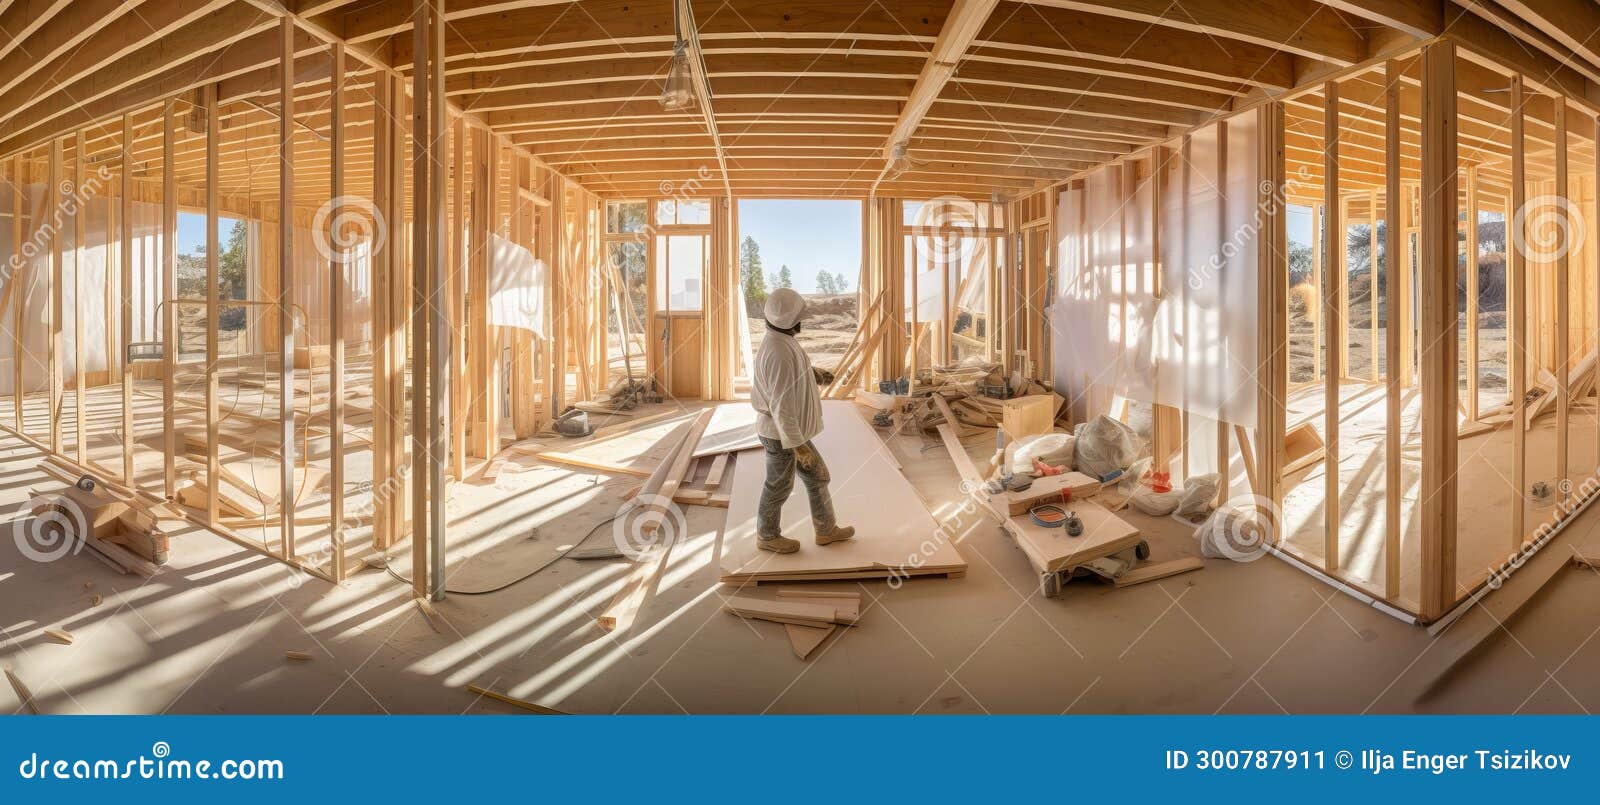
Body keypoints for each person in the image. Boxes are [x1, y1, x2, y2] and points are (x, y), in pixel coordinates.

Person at [749, 288, 855, 554]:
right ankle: (767, 535)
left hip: (788, 432)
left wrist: (815, 374)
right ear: (790, 319)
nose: (802, 320)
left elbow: (792, 376)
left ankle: (826, 530)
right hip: (781, 435)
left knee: (818, 477)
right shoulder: (779, 352)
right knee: (779, 485)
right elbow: (781, 406)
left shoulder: (782, 340)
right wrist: (800, 447)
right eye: (800, 316)